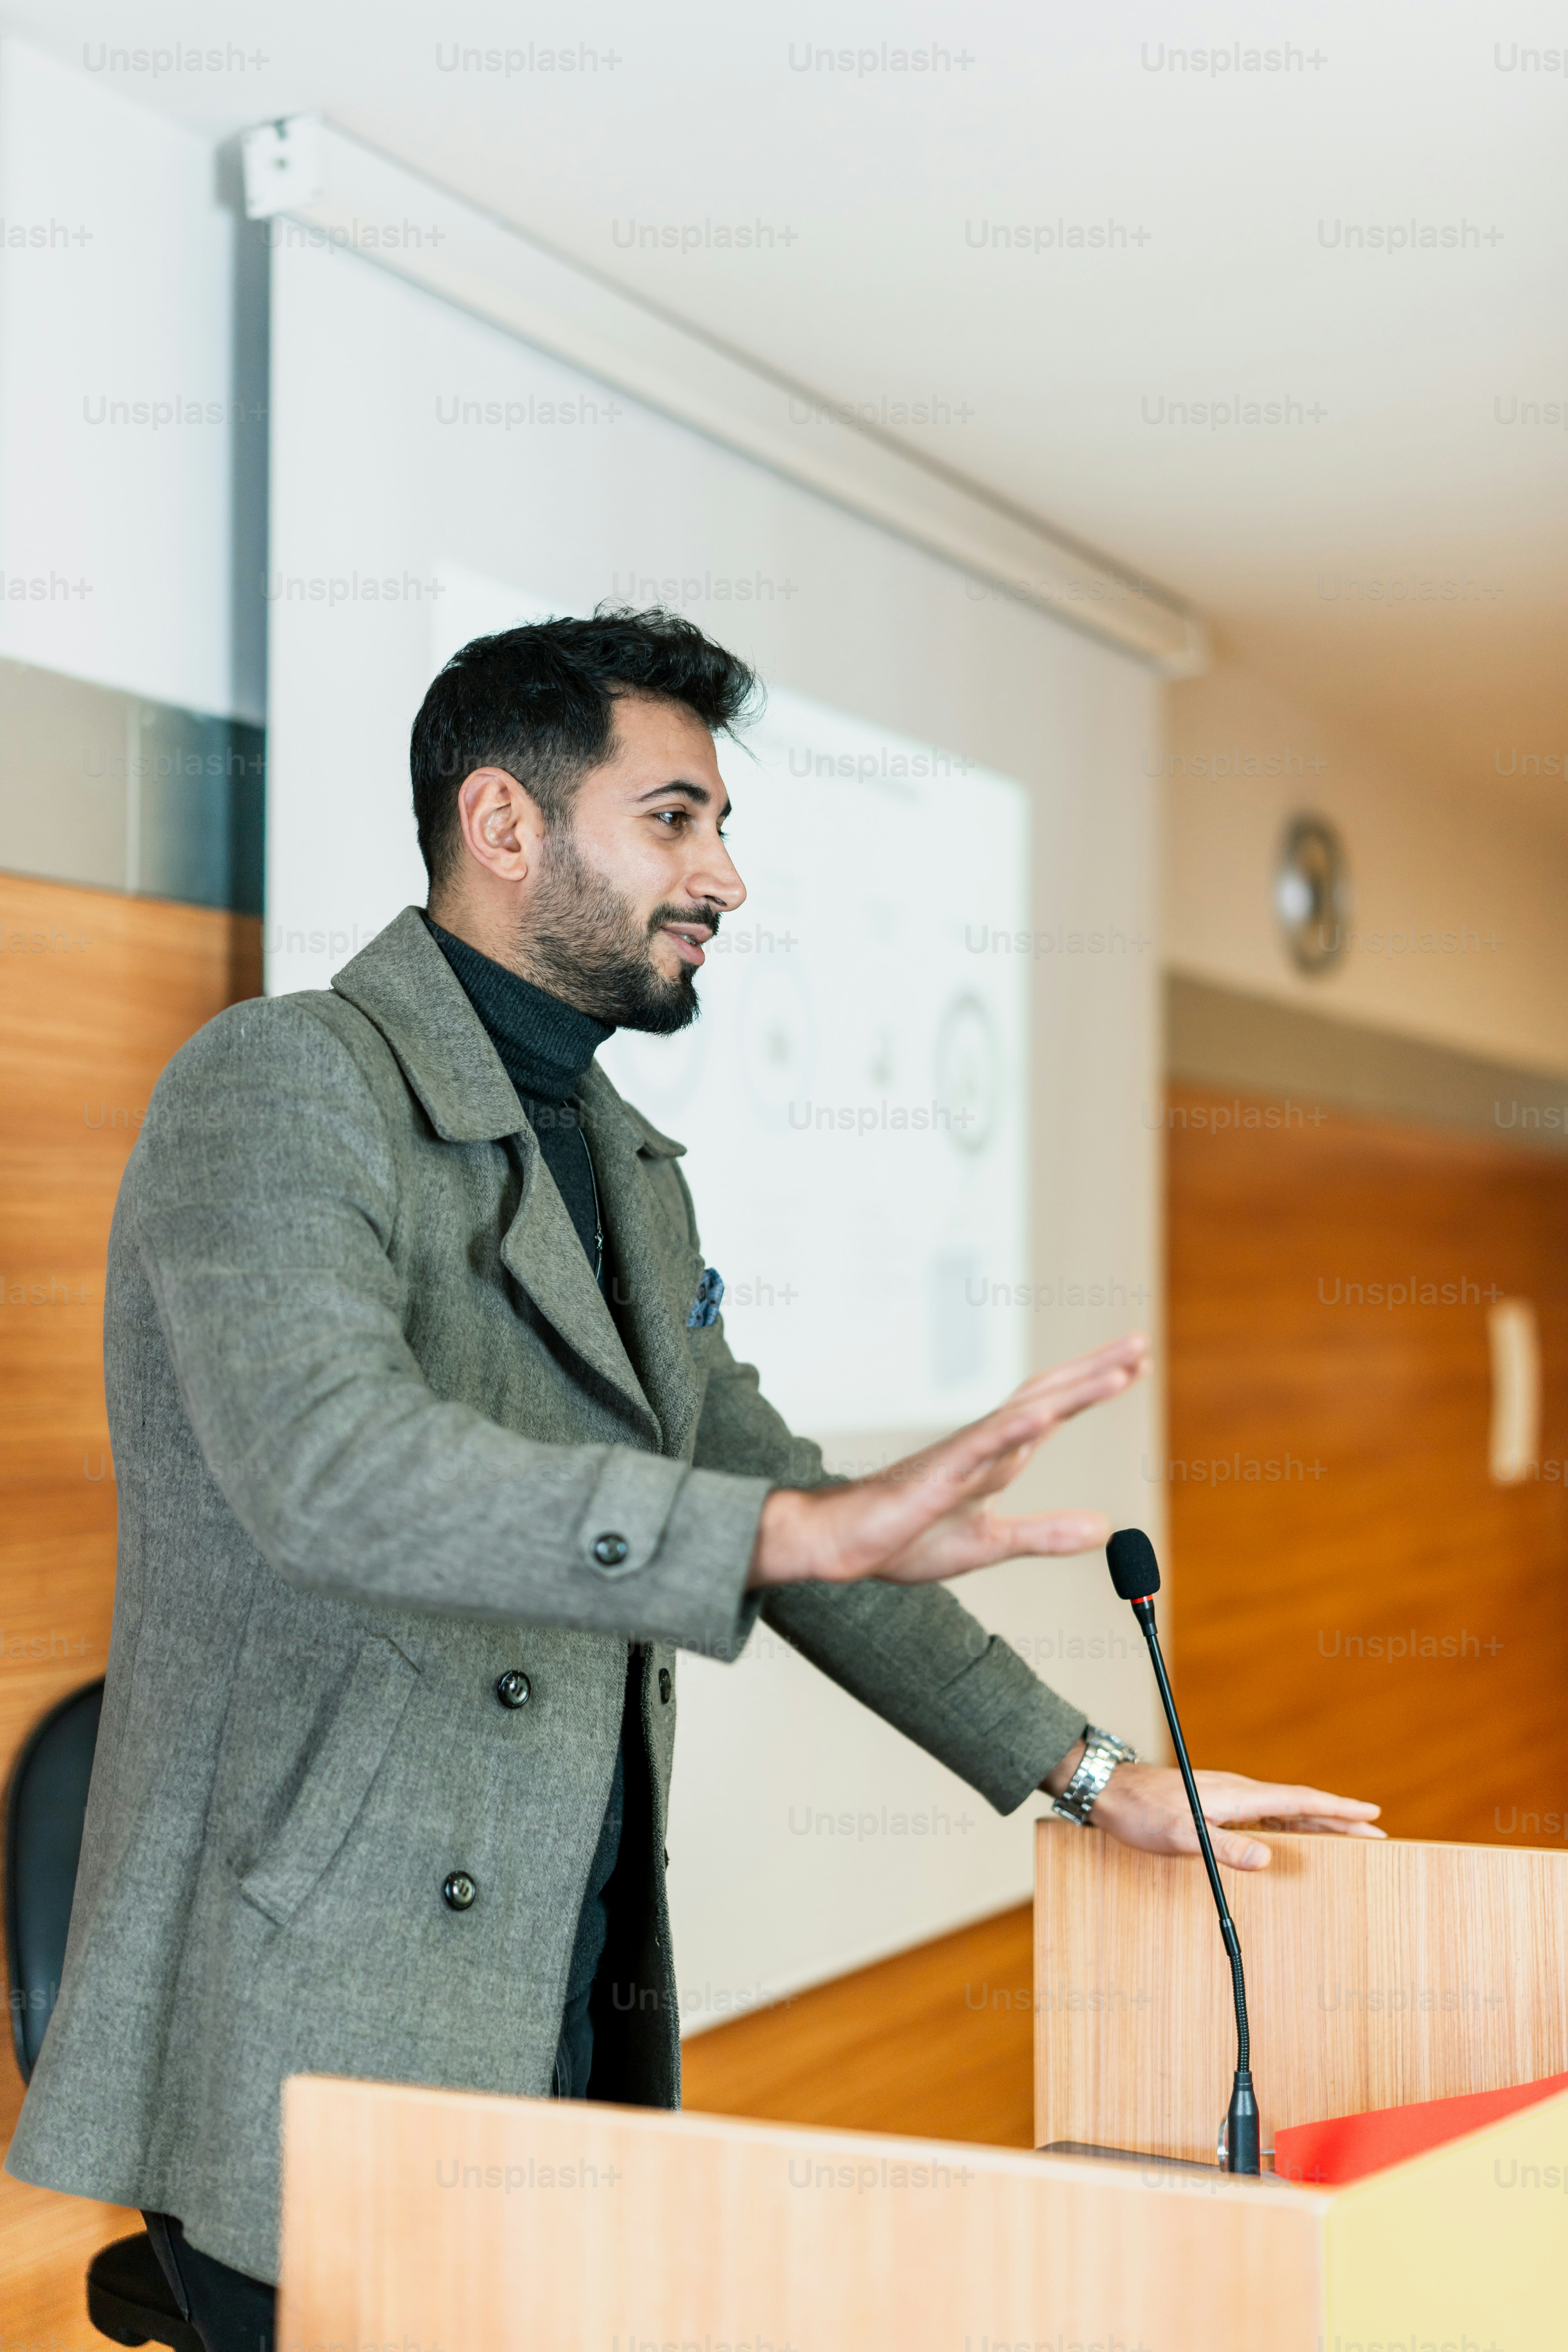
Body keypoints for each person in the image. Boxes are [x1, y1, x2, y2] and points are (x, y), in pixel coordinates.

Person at [7, 609, 1381, 2350]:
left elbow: (779, 1506)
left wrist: (1086, 1767)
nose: (724, 875)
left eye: (719, 825)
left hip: (563, 1986)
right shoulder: (282, 1083)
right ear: (505, 826)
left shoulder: (633, 1164)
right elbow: (326, 1468)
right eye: (675, 817)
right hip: (319, 2018)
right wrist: (770, 1524)